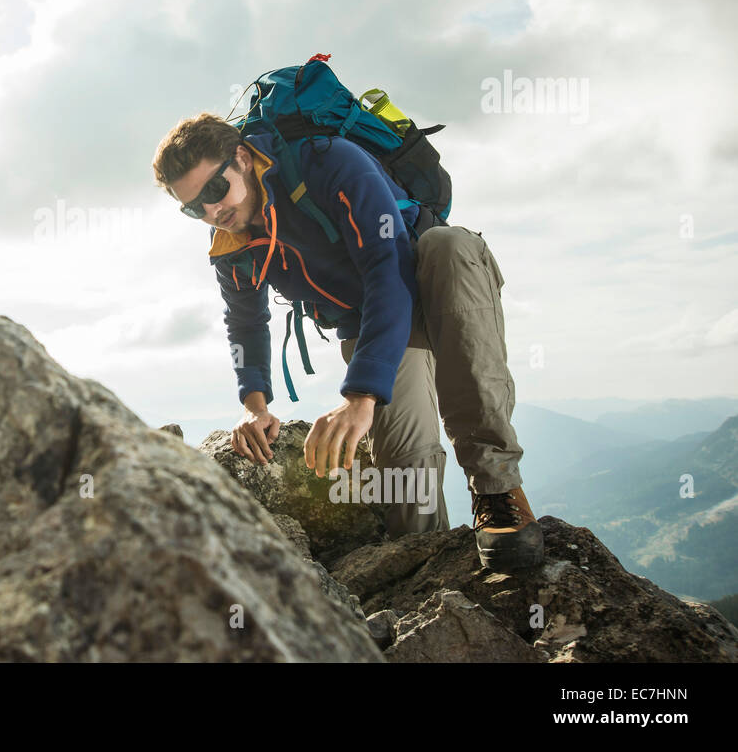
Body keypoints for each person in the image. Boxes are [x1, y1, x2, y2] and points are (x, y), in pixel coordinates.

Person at [151, 112, 544, 571]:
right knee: (404, 476)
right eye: (194, 208)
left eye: (215, 191)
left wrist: (360, 396)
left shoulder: (326, 163)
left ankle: (498, 491)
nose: (212, 212)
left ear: (242, 157)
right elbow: (245, 323)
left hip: (431, 280)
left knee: (448, 246)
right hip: (367, 323)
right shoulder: (231, 246)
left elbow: (387, 265)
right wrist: (254, 405)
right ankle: (434, 570)